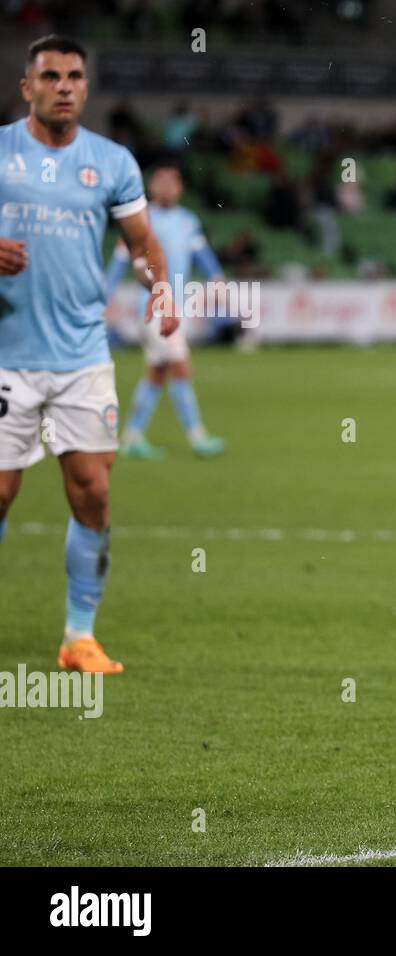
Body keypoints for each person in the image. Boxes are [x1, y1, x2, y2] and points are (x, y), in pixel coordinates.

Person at [0, 35, 177, 674]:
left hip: (81, 356)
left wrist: (161, 287)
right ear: (28, 87)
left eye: (75, 75)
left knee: (94, 494)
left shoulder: (111, 162)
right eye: (51, 76)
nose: (65, 85)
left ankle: (80, 637)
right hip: (6, 356)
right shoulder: (0, 151)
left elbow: (141, 239)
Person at [105, 162, 226, 459]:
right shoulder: (140, 220)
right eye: (162, 182)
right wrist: (103, 297)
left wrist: (217, 278)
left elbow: (203, 255)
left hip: (178, 306)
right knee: (181, 368)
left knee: (157, 373)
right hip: (153, 307)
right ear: (152, 187)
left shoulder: (188, 221)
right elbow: (121, 261)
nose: (168, 187)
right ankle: (197, 435)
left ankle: (132, 436)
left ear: (180, 188)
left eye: (173, 182)